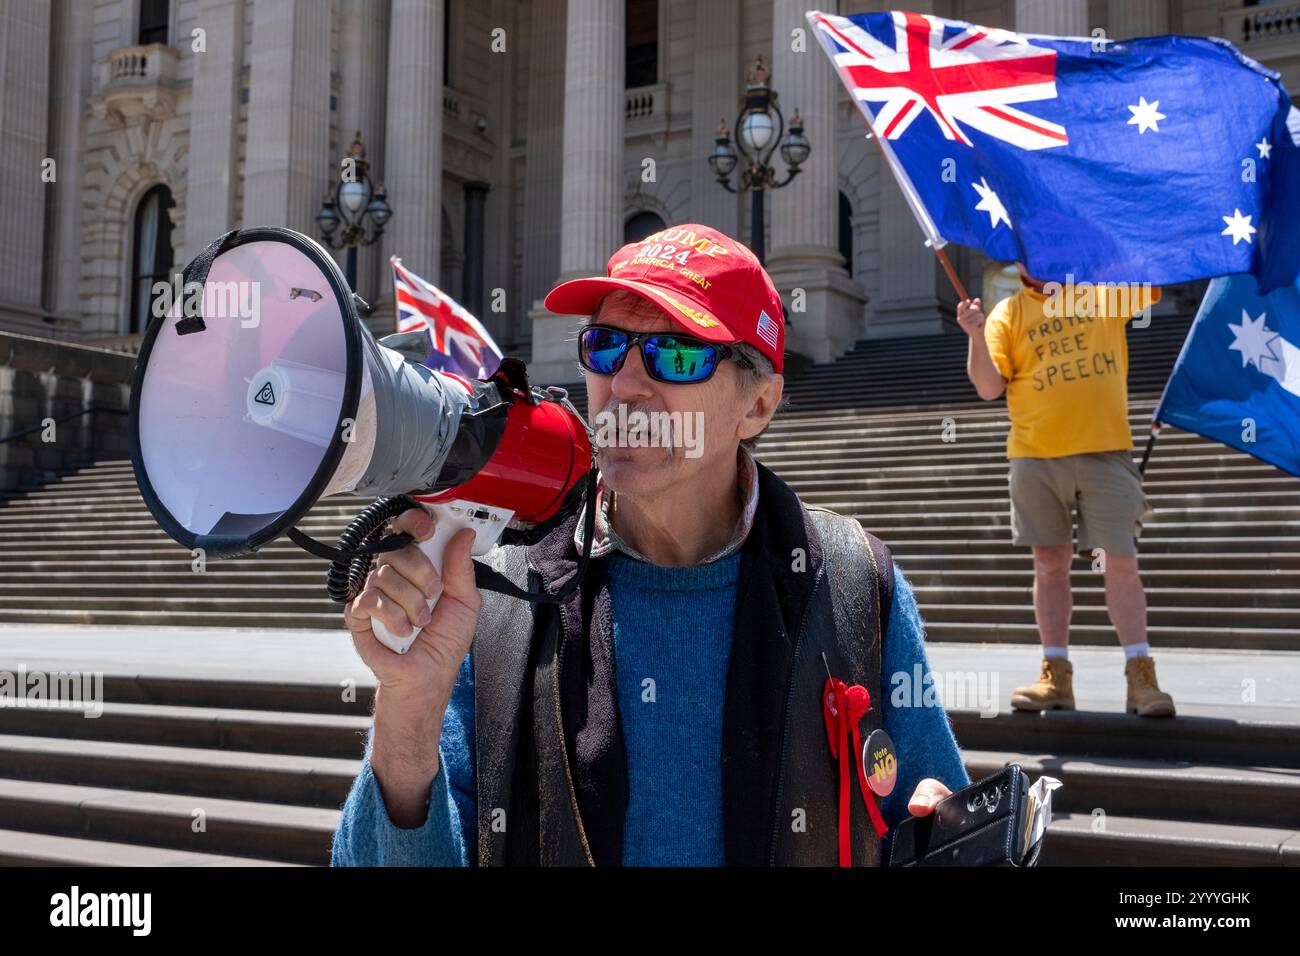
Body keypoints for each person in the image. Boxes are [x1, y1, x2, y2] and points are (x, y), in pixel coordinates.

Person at [332, 224, 970, 866]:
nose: (627, 385)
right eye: (606, 347)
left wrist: (937, 834)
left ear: (758, 405)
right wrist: (408, 710)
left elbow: (933, 813)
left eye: (678, 353)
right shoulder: (493, 592)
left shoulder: (854, 580)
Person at [958, 262, 1175, 718]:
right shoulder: (1006, 314)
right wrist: (976, 334)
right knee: (1048, 564)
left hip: (1106, 450)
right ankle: (1055, 675)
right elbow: (987, 386)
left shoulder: (1101, 293)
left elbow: (1154, 282)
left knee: (1121, 562)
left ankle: (1141, 675)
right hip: (1035, 455)